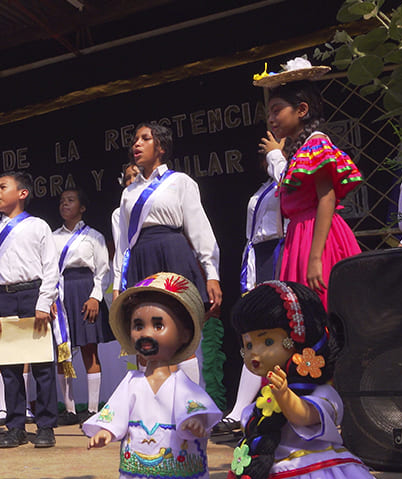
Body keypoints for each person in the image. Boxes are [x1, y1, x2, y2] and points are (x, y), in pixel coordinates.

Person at [226, 280, 402, 479]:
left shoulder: (322, 394)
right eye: (247, 345)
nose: (253, 353)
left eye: (267, 341)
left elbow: (304, 416)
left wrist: (285, 396)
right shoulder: (259, 403)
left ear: (299, 339)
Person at [84, 272, 221, 479]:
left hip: (177, 475)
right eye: (139, 326)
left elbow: (198, 408)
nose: (146, 333)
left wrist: (195, 422)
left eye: (158, 325)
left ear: (184, 334)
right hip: (138, 473)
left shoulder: (184, 385)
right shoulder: (131, 382)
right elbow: (115, 412)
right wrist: (106, 431)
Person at [112, 123, 222, 384]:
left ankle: (192, 407)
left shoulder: (180, 182)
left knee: (179, 327)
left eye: (145, 138)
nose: (136, 144)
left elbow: (199, 229)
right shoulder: (129, 192)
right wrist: (118, 282)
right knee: (144, 332)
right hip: (141, 258)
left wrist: (212, 273)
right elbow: (122, 244)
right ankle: (151, 407)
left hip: (173, 253)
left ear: (160, 147)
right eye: (135, 139)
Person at [253, 59, 362, 308]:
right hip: (299, 236)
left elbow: (327, 197)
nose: (271, 119)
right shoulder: (297, 149)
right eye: (269, 112)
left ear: (301, 110)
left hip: (317, 236)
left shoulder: (316, 143)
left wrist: (315, 258)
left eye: (277, 110)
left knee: (323, 304)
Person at [0, 171, 59, 449]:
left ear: (22, 193)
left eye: (3, 187)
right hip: (2, 298)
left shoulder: (38, 226)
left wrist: (43, 302)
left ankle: (46, 426)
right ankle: (15, 425)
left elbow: (50, 268)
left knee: (42, 366)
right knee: (9, 368)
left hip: (33, 295)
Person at [216, 146, 289, 435]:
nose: (266, 155)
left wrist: (278, 156)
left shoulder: (290, 176)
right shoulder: (263, 188)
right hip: (260, 256)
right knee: (256, 334)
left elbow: (292, 191)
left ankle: (281, 408)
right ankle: (241, 411)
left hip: (280, 250)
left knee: (276, 331)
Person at [52, 189, 110, 424]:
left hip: (85, 290)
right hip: (61, 292)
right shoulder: (53, 237)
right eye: (62, 201)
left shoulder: (93, 236)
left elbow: (103, 269)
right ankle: (69, 409)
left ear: (82, 207)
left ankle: (93, 409)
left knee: (89, 350)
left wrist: (95, 297)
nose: (65, 204)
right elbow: (48, 270)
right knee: (62, 353)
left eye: (70, 200)